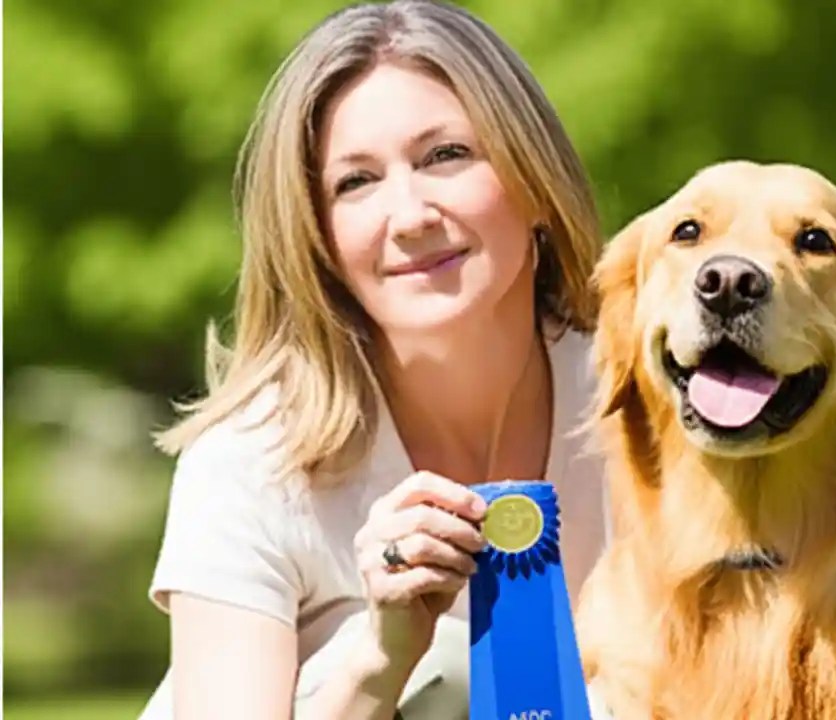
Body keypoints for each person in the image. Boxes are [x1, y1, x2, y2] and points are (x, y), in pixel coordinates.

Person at [139, 2, 608, 717]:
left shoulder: (649, 404)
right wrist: (381, 658)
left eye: (445, 155)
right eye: (355, 183)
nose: (412, 214)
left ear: (535, 180)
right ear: (317, 239)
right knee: (444, 678)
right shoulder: (248, 463)